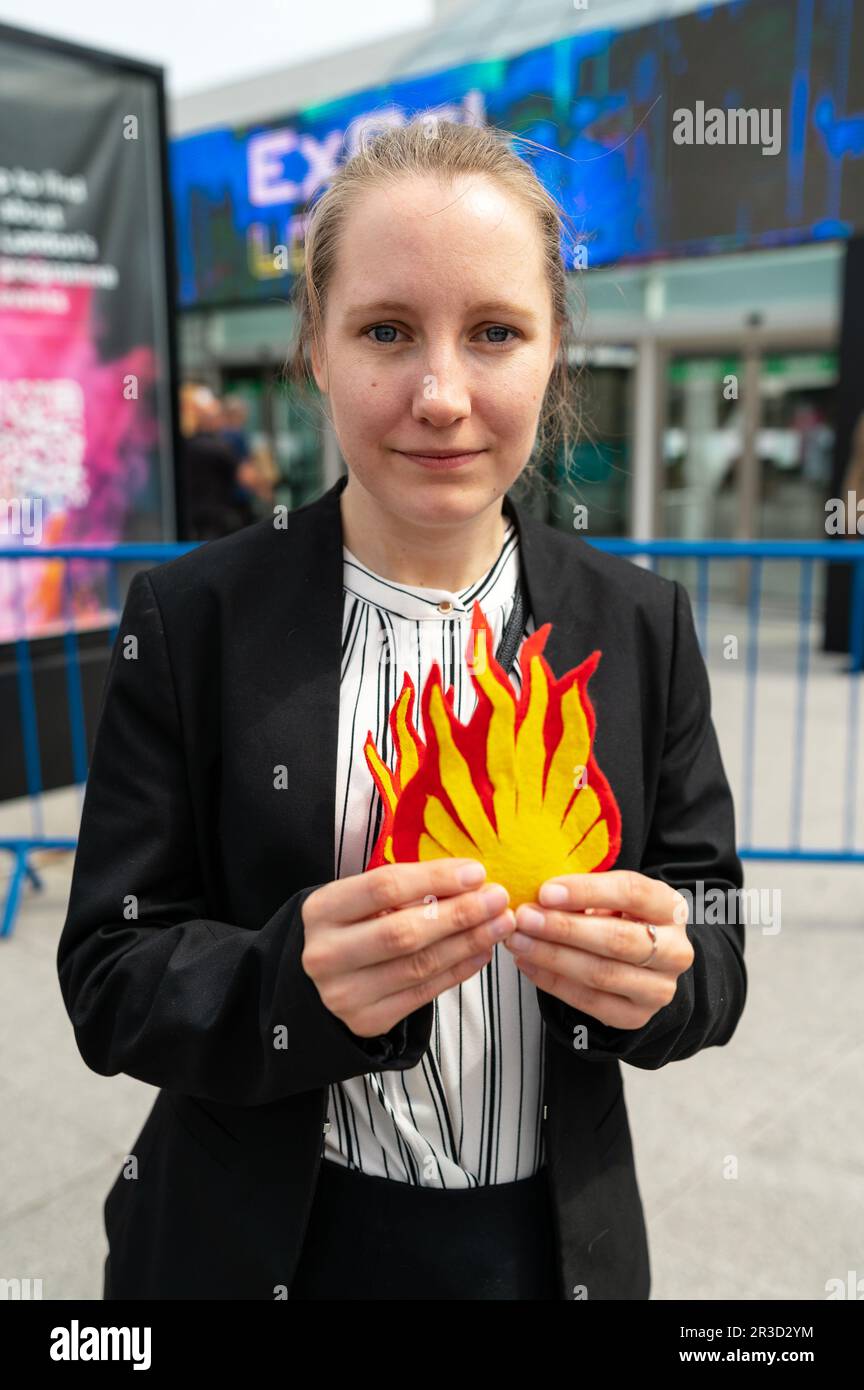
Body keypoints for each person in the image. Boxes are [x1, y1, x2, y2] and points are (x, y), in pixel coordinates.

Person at [56, 117, 746, 1301]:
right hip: (259, 1246)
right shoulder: (190, 619)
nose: (440, 394)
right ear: (316, 350)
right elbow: (109, 968)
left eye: (493, 333)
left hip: (548, 1252)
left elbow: (718, 925)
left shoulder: (641, 623)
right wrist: (287, 982)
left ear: (553, 355)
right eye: (385, 331)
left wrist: (666, 978)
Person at [178, 384, 256, 539]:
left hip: (190, 519)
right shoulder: (219, 446)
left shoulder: (183, 446)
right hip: (216, 521)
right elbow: (248, 478)